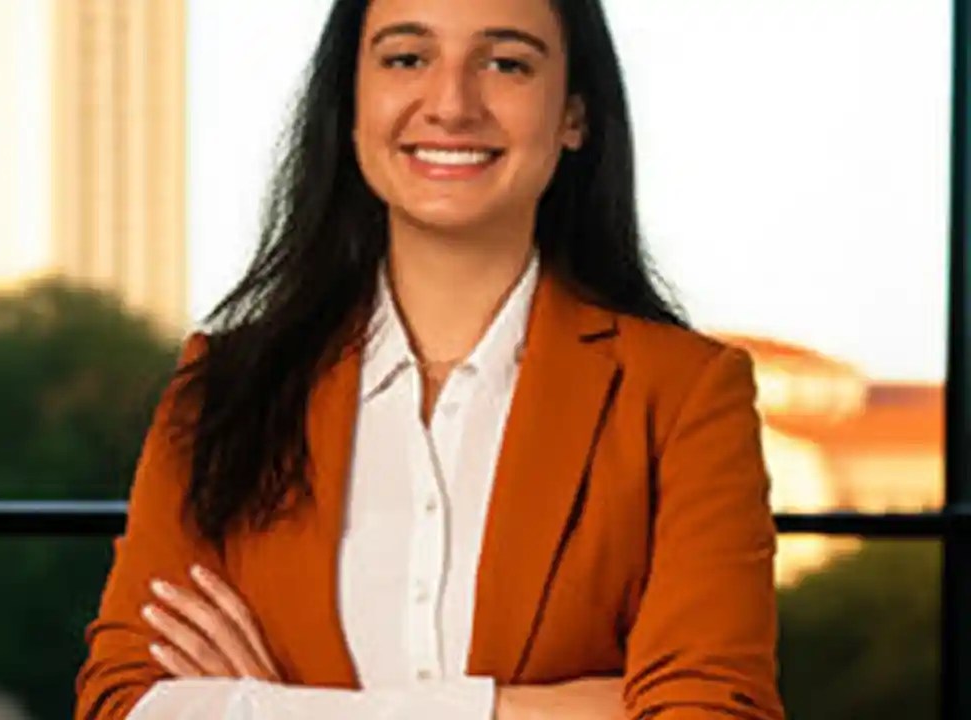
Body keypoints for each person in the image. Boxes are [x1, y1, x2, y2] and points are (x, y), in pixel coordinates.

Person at [75, 0, 785, 717]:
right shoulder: (224, 388)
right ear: (351, 103)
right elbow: (122, 705)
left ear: (574, 115)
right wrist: (507, 710)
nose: (451, 104)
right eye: (406, 58)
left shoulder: (683, 396)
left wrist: (266, 707)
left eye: (507, 63)